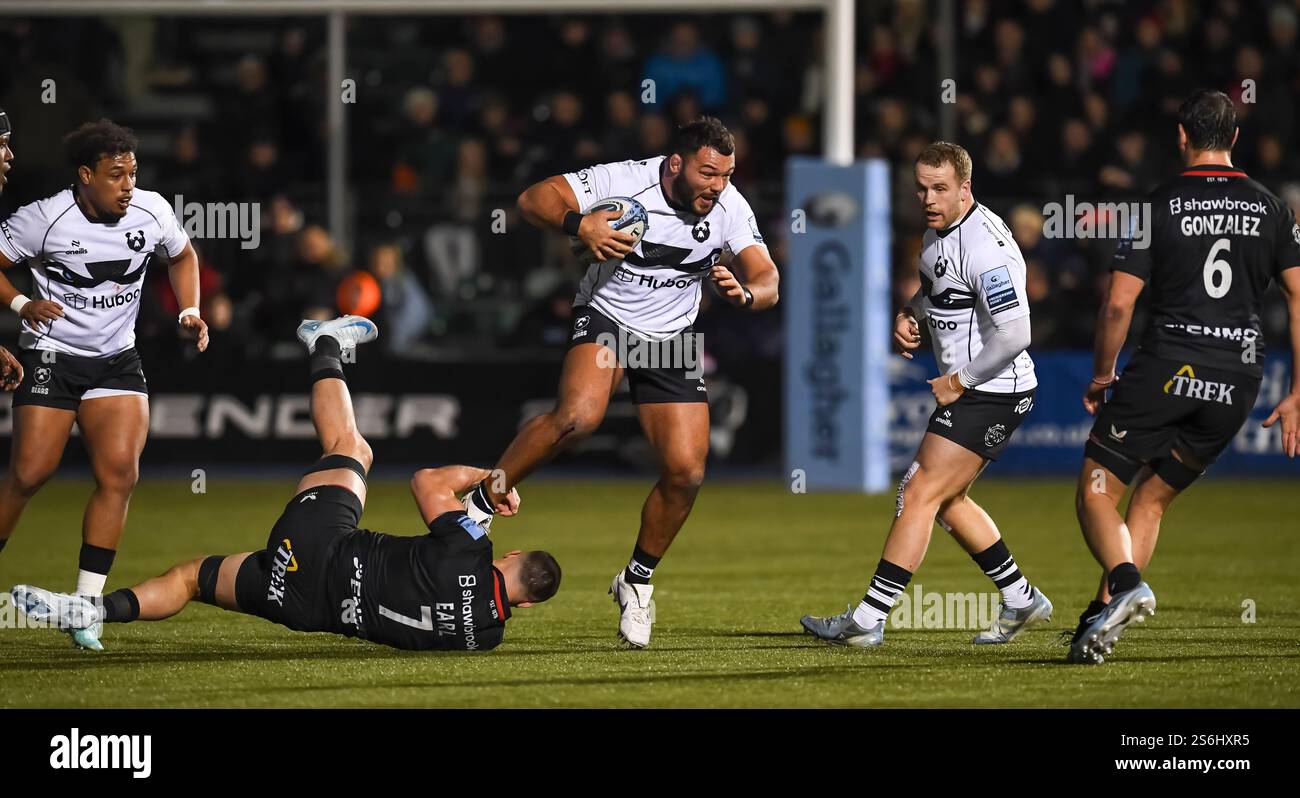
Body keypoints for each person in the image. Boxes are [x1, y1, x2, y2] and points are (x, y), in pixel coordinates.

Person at [12, 315, 561, 652]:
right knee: (189, 578)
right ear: (527, 607)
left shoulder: (472, 548)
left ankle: (323, 343)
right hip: (302, 607)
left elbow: (426, 483)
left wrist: (489, 480)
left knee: (352, 448)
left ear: (510, 553)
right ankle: (91, 611)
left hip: (322, 545)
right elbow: (461, 591)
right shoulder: (484, 639)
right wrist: (477, 515)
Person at [471, 116, 778, 648]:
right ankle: (481, 502)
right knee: (576, 419)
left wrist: (747, 295)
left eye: (726, 175)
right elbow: (530, 199)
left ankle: (635, 582)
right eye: (708, 173)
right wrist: (578, 224)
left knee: (686, 473)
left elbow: (769, 278)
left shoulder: (731, 208)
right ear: (676, 164)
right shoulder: (622, 181)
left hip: (673, 336)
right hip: (609, 317)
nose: (717, 186)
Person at [1068, 90, 1300, 664]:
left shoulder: (1156, 205)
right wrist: (1297, 391)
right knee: (1150, 501)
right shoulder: (1272, 208)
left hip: (1169, 366)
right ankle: (1096, 625)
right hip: (1238, 380)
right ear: (1235, 139)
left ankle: (1125, 585)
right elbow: (1299, 296)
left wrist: (1102, 374)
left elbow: (1119, 305)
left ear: (1181, 136)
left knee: (1095, 492)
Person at [801, 141, 1053, 647]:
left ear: (966, 187)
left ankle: (868, 621)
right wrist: (910, 315)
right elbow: (934, 288)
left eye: (940, 188)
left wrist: (961, 379)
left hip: (993, 390)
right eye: (921, 188)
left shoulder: (984, 246)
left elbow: (1016, 332)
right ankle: (1022, 598)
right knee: (947, 498)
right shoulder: (938, 233)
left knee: (917, 491)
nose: (929, 198)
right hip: (981, 390)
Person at [0, 119, 208, 650]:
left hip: (116, 359)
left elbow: (182, 254)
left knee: (119, 473)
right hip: (53, 355)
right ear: (85, 175)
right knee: (29, 473)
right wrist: (22, 303)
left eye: (133, 173)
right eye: (116, 175)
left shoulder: (152, 210)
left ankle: (84, 607)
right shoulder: (44, 218)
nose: (128, 185)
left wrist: (188, 309)